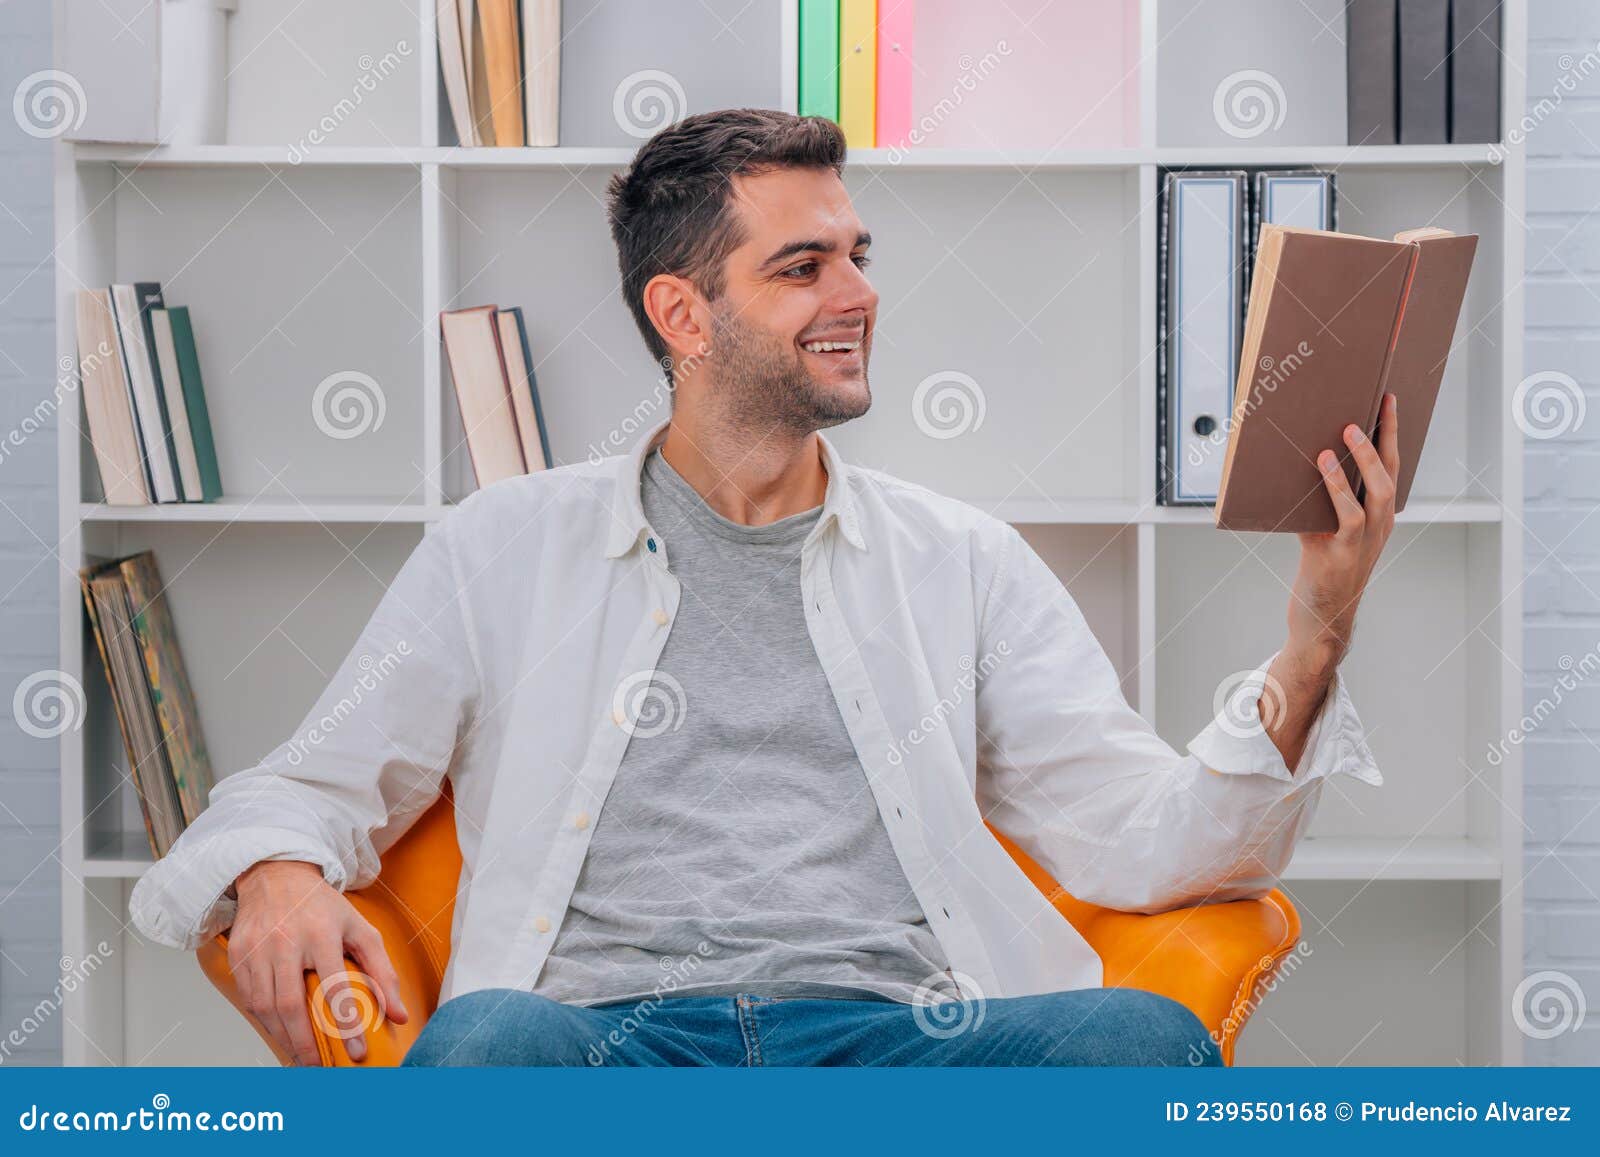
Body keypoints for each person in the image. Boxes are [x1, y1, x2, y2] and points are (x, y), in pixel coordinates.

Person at [131, 108, 1392, 1067]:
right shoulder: (501, 547)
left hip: (898, 1033)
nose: (859, 294)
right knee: (486, 1045)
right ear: (682, 313)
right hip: (603, 1038)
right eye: (803, 268)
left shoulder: (959, 558)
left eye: (855, 254)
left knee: (1133, 1042)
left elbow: (1149, 837)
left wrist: (1315, 631)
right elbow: (302, 786)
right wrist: (279, 871)